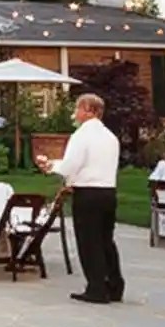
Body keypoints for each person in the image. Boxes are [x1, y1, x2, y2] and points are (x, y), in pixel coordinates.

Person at [36, 93, 124, 304]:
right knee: (106, 240)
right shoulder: (110, 137)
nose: (75, 113)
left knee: (89, 241)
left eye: (77, 109)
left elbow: (71, 165)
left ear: (88, 110)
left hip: (88, 193)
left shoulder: (82, 135)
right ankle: (114, 284)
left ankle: (96, 288)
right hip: (108, 191)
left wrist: (50, 166)